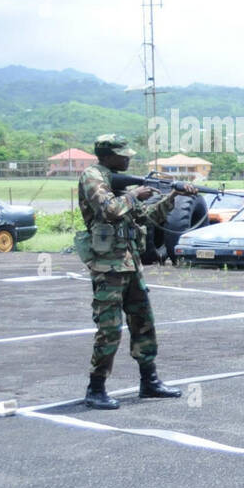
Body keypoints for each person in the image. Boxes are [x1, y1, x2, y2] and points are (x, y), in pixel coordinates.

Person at [77, 135, 197, 409]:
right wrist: (134, 194)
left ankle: (149, 382)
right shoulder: (93, 176)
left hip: (130, 264)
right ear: (106, 155)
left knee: (143, 322)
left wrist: (174, 196)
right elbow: (108, 210)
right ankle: (96, 389)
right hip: (108, 267)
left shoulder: (118, 182)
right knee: (109, 329)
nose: (128, 158)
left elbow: (147, 216)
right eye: (123, 154)